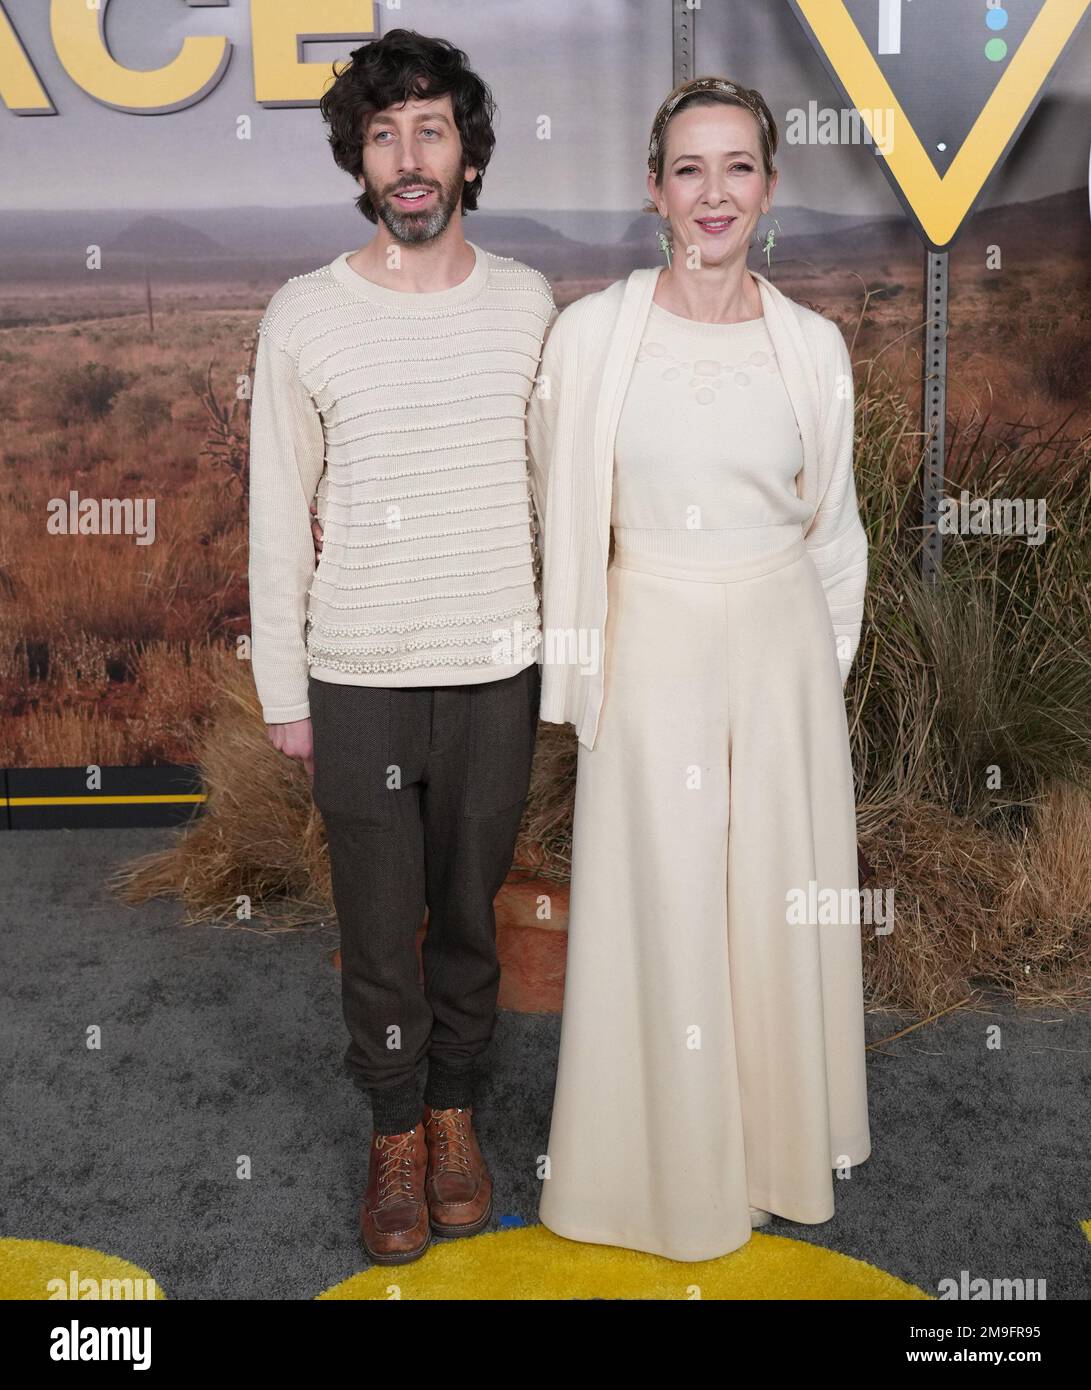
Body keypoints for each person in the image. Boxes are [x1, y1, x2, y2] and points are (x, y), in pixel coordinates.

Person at [526, 76, 872, 1261]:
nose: (712, 193)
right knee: (663, 904)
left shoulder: (812, 348)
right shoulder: (588, 336)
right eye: (688, 169)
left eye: (735, 168)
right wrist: (578, 684)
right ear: (652, 192)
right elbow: (560, 515)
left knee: (772, 900)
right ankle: (655, 1168)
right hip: (647, 643)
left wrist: (810, 690)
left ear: (768, 189)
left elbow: (833, 532)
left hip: (778, 656)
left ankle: (775, 1151)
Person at [247, 29, 553, 1265]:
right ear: (361, 163)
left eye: (430, 130)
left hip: (496, 668)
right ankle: (390, 1135)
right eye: (384, 135)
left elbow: (554, 498)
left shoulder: (529, 304)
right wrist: (285, 688)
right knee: (377, 925)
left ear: (467, 157)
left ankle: (454, 1116)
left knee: (470, 916)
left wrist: (571, 657)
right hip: (358, 673)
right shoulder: (305, 314)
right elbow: (277, 511)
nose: (408, 157)